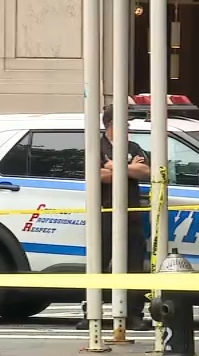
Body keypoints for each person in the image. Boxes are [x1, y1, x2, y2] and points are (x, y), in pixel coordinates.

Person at [77, 105, 151, 331]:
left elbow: (146, 171)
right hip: (105, 214)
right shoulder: (96, 146)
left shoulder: (133, 146)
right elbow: (98, 175)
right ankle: (91, 312)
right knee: (98, 264)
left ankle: (134, 314)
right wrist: (128, 168)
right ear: (111, 125)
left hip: (131, 215)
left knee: (134, 265)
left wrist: (114, 166)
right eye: (125, 124)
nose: (128, 128)